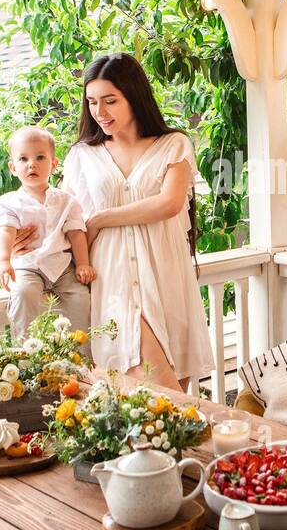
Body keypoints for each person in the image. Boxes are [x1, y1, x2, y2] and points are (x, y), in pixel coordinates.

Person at [62, 52, 213, 392]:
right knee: (166, 397)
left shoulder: (173, 144)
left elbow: (169, 203)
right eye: (92, 102)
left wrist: (101, 218)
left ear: (134, 95)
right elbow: (65, 218)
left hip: (166, 275)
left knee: (168, 408)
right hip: (112, 279)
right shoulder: (81, 156)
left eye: (110, 101)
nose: (100, 112)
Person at [0, 126, 95, 344]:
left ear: (53, 164)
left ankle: (82, 355)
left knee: (80, 298)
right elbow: (5, 232)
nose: (32, 164)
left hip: (62, 266)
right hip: (28, 266)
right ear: (13, 167)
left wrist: (83, 264)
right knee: (22, 293)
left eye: (40, 157)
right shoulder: (10, 202)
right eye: (23, 159)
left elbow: (76, 233)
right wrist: (3, 262)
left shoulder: (66, 200)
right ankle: (25, 348)